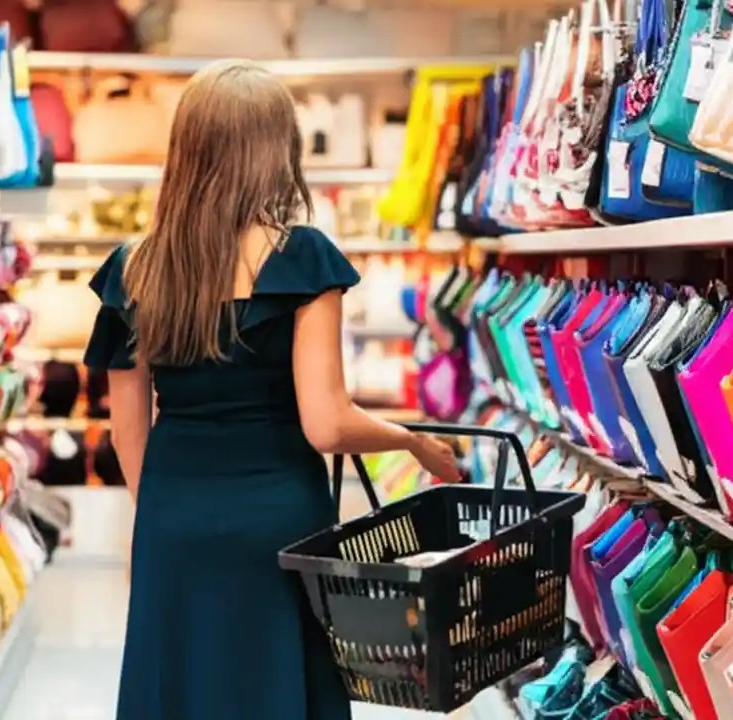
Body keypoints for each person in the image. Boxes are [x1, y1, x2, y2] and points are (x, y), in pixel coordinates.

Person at [83, 59, 459, 720]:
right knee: (277, 681)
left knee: (181, 680)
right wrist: (414, 441)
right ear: (276, 150)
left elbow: (126, 431)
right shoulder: (300, 258)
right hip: (277, 516)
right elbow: (327, 422)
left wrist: (168, 516)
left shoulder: (134, 269)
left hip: (174, 511)